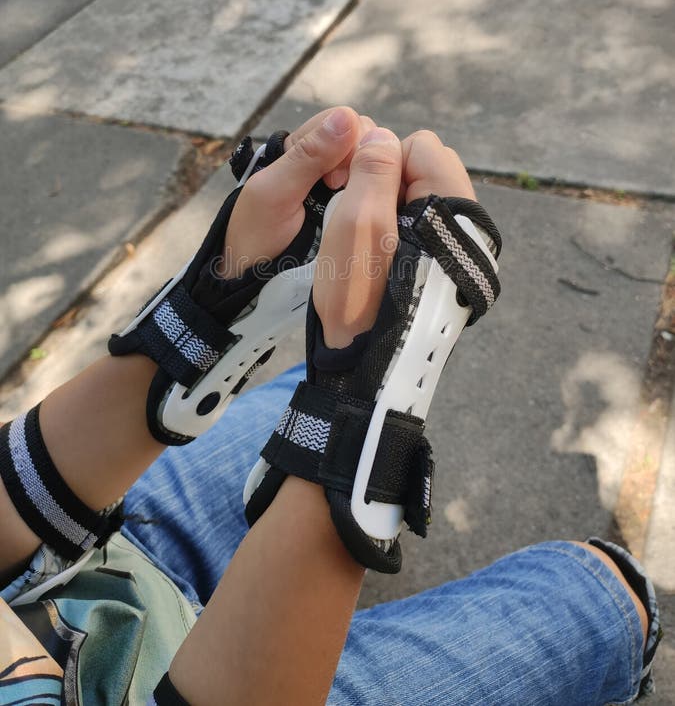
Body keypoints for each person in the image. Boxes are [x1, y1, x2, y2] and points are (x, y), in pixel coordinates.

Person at [0, 108, 661, 706]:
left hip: (77, 570)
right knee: (603, 596)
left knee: (293, 402)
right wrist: (361, 409)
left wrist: (203, 310)